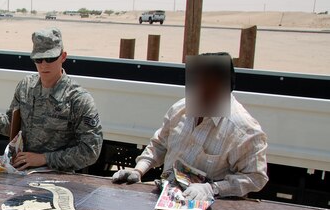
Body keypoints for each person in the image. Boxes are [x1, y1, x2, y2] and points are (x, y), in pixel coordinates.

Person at [112, 52, 268, 200]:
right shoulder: (180, 109)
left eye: (206, 89)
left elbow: (255, 178)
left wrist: (212, 189)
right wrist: (139, 170)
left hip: (211, 207)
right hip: (167, 194)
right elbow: (159, 144)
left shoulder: (244, 130)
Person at [0, 28, 102, 172]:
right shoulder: (26, 87)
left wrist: (43, 158)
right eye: (38, 59)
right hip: (21, 173)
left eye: (50, 58)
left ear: (63, 57)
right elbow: (11, 128)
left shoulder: (78, 99)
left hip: (57, 177)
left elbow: (90, 151)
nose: (43, 65)